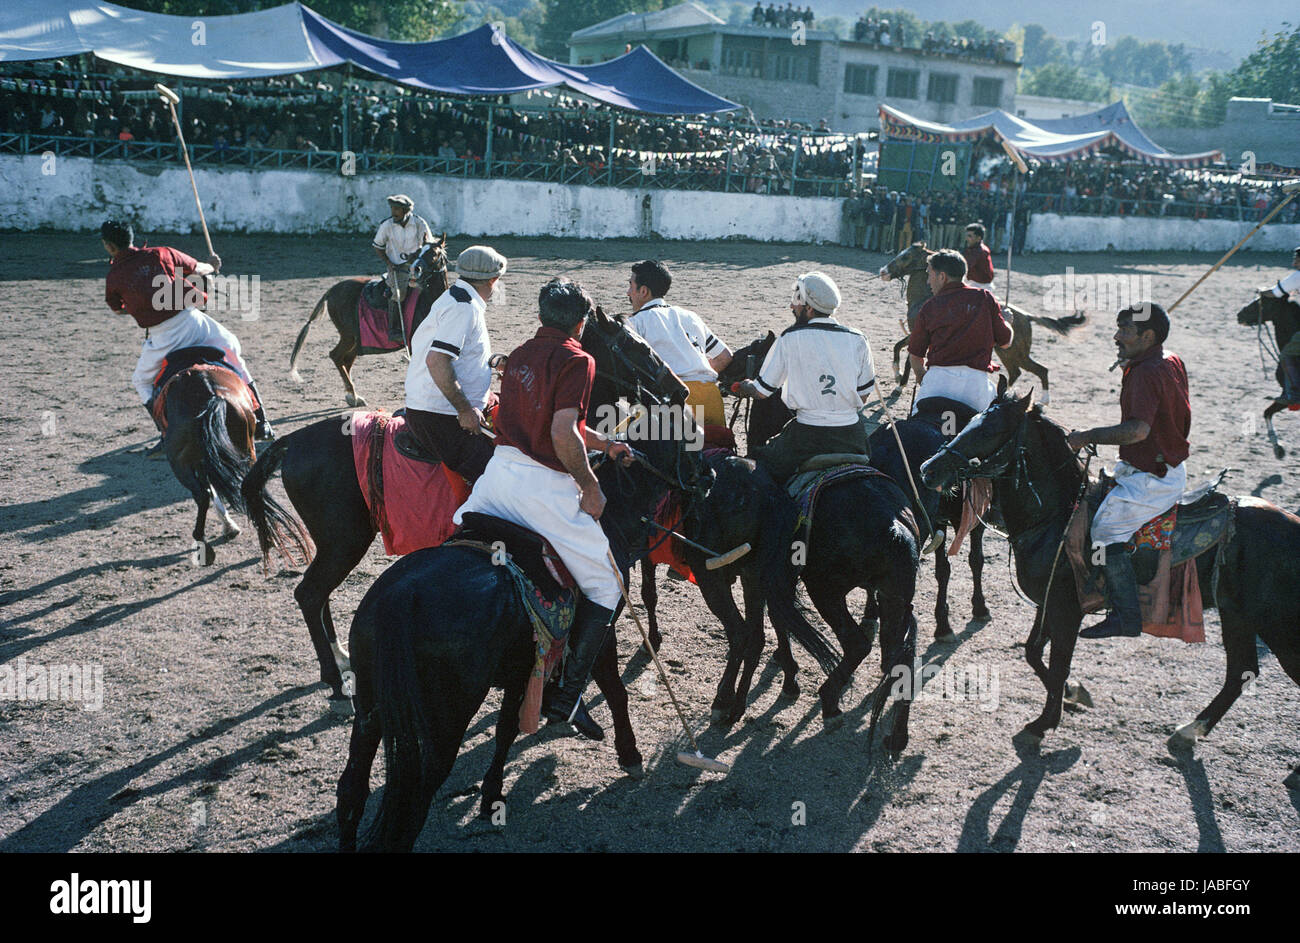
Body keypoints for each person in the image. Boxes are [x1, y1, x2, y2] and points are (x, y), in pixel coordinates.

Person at [453, 278, 635, 738]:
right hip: (543, 491)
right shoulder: (579, 358)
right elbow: (560, 433)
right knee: (608, 585)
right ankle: (566, 696)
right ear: (581, 321)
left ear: (539, 316)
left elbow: (564, 426)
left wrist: (606, 444)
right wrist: (590, 486)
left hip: (496, 482)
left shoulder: (517, 354)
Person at [1067, 304, 1190, 639]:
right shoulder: (1169, 360)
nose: (1116, 337)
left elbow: (1138, 431)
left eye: (1124, 330)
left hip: (1153, 477)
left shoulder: (1146, 372)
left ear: (1147, 336)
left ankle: (1126, 616)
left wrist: (1085, 437)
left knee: (1105, 529)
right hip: (1164, 465)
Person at [101, 220, 274, 456]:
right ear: (132, 238)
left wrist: (138, 303)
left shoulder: (114, 276)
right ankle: (262, 421)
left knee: (141, 382)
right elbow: (199, 269)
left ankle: (166, 433)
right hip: (193, 324)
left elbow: (118, 309)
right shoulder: (162, 253)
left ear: (109, 246)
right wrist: (212, 265)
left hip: (162, 338)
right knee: (232, 350)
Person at [735, 273, 875, 484]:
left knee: (757, 465)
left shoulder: (790, 337)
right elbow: (863, 395)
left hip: (807, 437)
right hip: (852, 437)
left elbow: (763, 392)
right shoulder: (858, 338)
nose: (792, 307)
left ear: (809, 308)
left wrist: (746, 386)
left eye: (796, 303)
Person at [403, 246, 504, 483]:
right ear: (493, 280)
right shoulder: (464, 308)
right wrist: (464, 410)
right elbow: (437, 360)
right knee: (496, 481)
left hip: (438, 408)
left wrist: (491, 362)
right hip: (440, 415)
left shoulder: (456, 297)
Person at [626, 260, 732, 426]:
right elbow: (724, 357)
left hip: (676, 401)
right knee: (719, 450)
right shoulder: (690, 316)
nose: (628, 293)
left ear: (644, 291)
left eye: (631, 286)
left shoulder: (636, 323)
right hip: (711, 397)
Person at [907, 249, 1013, 415]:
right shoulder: (985, 297)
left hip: (937, 382)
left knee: (914, 429)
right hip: (975, 386)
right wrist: (1006, 321)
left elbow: (915, 356)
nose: (928, 281)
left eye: (930, 275)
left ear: (942, 277)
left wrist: (924, 380)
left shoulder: (930, 306)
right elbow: (1006, 342)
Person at [372, 194, 433, 341]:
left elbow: (428, 245)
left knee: (431, 290)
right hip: (397, 267)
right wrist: (388, 262)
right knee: (398, 294)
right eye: (392, 208)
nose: (393, 212)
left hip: (417, 266)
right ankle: (394, 329)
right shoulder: (386, 225)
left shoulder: (419, 223)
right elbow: (377, 246)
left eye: (397, 209)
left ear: (406, 211)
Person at [1261, 246, 1300, 404]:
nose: (1294, 261)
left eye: (1296, 257)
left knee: (1287, 353)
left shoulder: (1298, 276)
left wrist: (1261, 291)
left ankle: (1295, 393)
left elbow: (1275, 293)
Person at [962, 222, 994, 290]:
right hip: (973, 282)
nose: (967, 239)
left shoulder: (980, 251)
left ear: (978, 238)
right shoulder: (973, 248)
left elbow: (966, 265)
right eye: (967, 236)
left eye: (970, 236)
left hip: (980, 285)